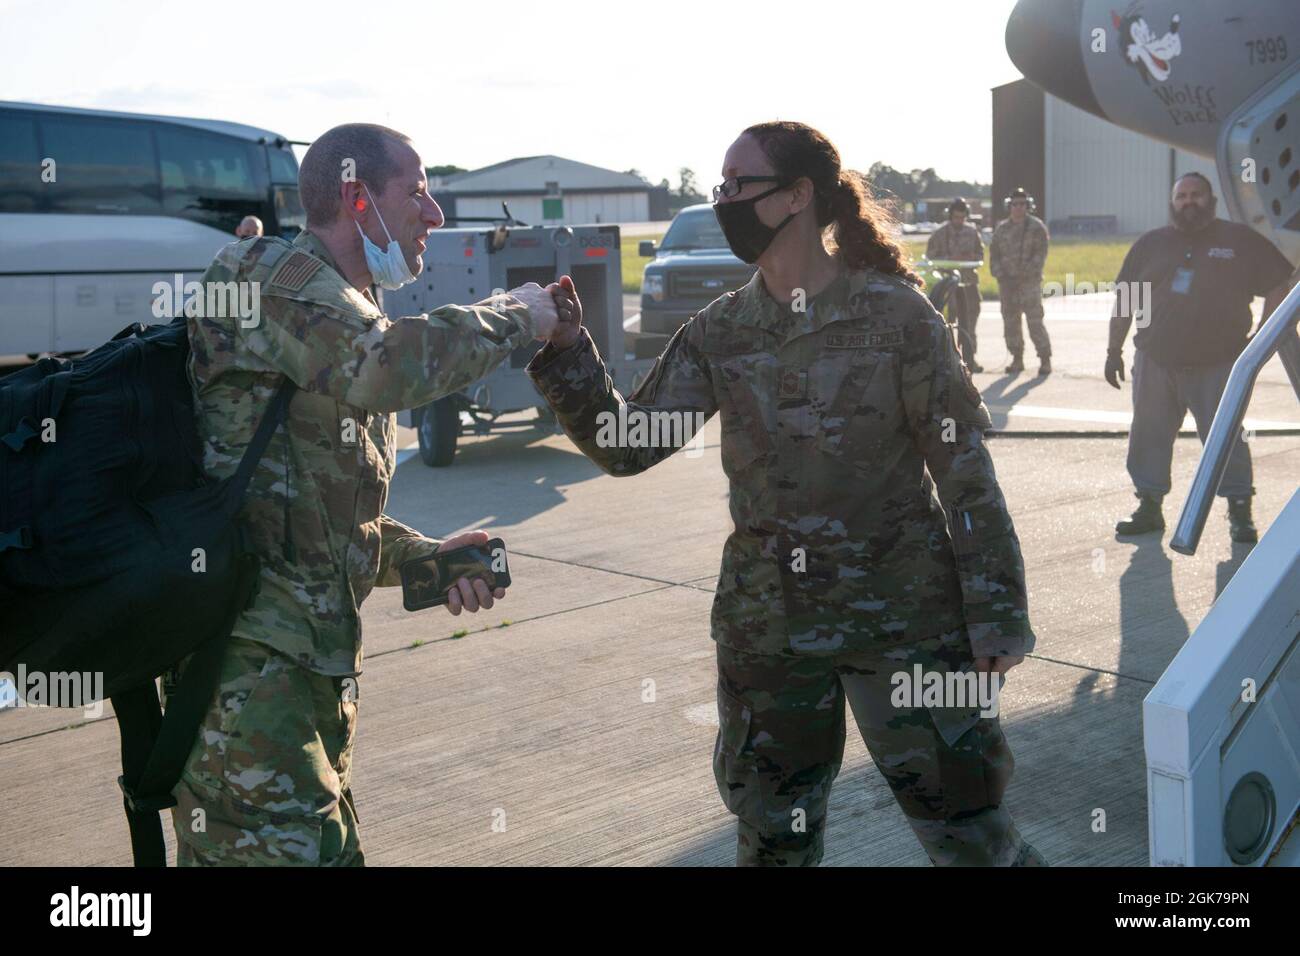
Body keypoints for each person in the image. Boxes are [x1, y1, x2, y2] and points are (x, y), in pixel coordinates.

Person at [532, 121, 1044, 867]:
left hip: (905, 619)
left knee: (969, 832)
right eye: (721, 186)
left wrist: (998, 614)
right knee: (774, 837)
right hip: (768, 630)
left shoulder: (898, 318)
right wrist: (569, 356)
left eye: (740, 185)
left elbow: (963, 471)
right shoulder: (722, 328)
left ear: (799, 195)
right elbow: (628, 443)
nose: (724, 200)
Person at [173, 123, 561, 865]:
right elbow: (382, 368)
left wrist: (425, 556)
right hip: (246, 679)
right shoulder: (262, 276)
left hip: (307, 677)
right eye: (417, 192)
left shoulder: (341, 307)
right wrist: (517, 315)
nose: (435, 214)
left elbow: (319, 514)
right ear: (357, 198)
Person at [1106, 171, 1296, 542]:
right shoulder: (1151, 243)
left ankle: (1239, 512)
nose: (1188, 202)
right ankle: (1149, 506)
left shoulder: (1239, 240)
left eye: (1196, 195)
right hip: (1156, 361)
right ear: (1172, 203)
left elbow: (1280, 285)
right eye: (1181, 196)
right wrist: (1114, 349)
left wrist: (1261, 340)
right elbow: (1127, 297)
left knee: (1227, 438)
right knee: (1148, 434)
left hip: (1221, 362)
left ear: (1211, 201)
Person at [990, 188, 1051, 376]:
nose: (1018, 207)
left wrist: (1026, 274)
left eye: (1022, 204)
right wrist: (1001, 275)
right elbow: (994, 256)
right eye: (1015, 204)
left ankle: (1045, 359)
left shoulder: (1036, 227)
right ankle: (1017, 359)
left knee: (1034, 321)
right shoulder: (1001, 229)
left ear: (1028, 206)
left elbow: (1040, 255)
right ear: (1010, 206)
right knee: (1011, 322)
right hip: (1007, 284)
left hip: (1029, 283)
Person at [926, 197, 984, 371]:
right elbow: (930, 256)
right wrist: (949, 259)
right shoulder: (939, 233)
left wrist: (969, 257)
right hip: (947, 286)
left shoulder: (972, 232)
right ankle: (949, 361)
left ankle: (970, 359)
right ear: (950, 215)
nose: (959, 220)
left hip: (968, 284)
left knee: (970, 324)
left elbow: (980, 255)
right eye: (956, 217)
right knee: (947, 325)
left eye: (962, 217)